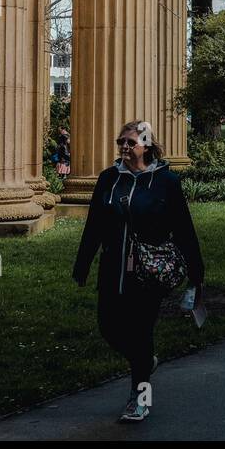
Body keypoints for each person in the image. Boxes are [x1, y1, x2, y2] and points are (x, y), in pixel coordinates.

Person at [72, 120, 204, 423]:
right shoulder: (108, 178)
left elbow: (184, 229)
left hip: (149, 272)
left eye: (131, 142)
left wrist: (197, 272)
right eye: (122, 142)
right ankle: (145, 362)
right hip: (113, 268)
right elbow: (94, 224)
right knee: (109, 327)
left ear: (147, 145)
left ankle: (139, 399)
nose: (124, 147)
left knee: (141, 332)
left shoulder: (166, 181)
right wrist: (83, 263)